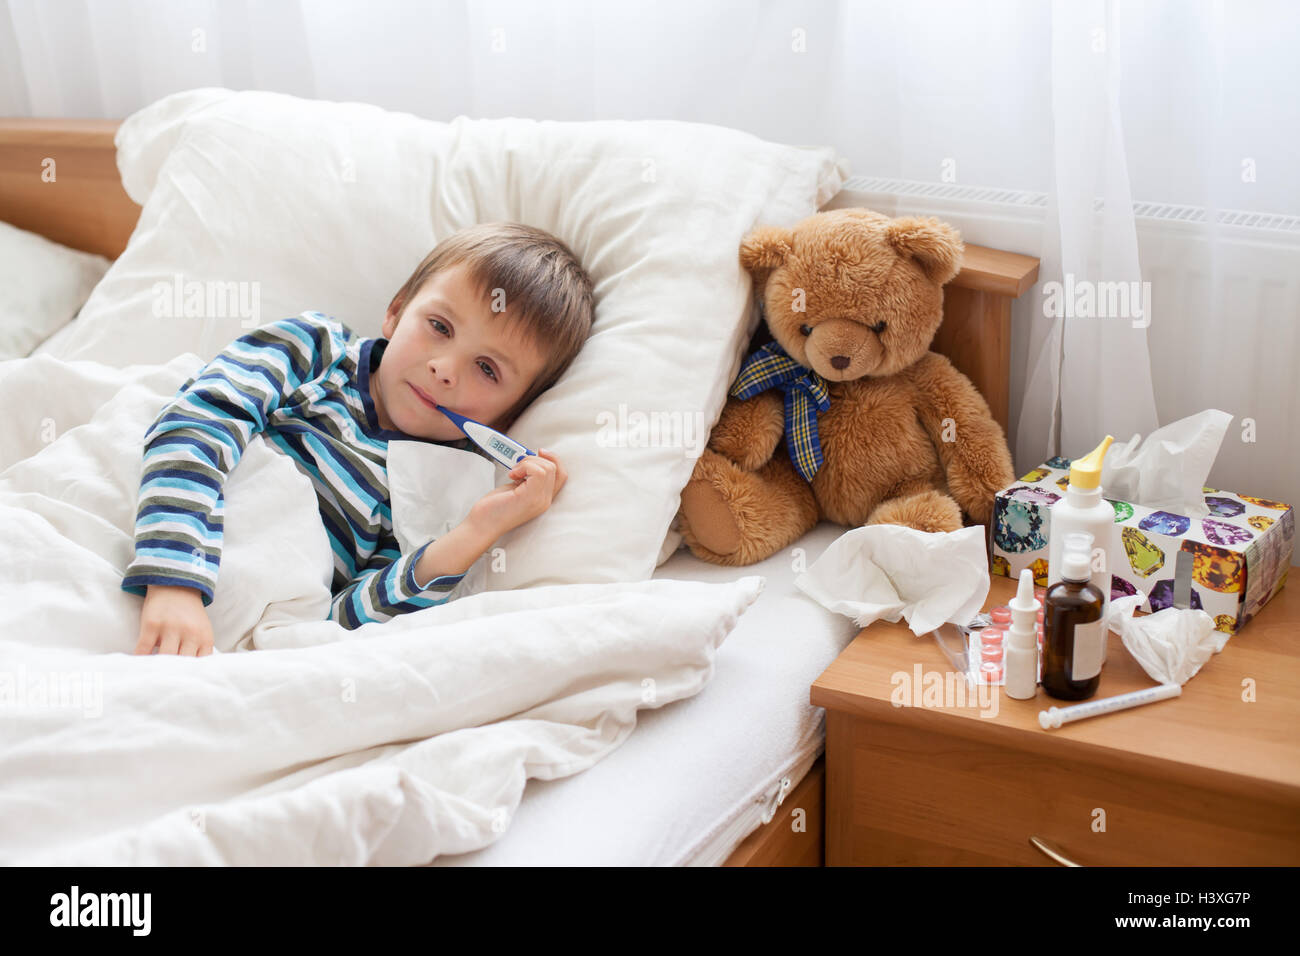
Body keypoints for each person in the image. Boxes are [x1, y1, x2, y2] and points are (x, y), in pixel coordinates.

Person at [121, 222, 595, 655]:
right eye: (440, 327)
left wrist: (475, 534)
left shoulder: (437, 492)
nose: (444, 369)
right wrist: (174, 581)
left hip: (234, 627)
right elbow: (198, 424)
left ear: (510, 416)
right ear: (396, 311)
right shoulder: (315, 349)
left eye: (487, 369)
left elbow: (340, 626)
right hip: (153, 540)